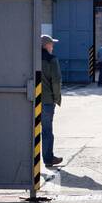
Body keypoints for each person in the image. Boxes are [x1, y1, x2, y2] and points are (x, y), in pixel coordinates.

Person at [40, 34, 63, 167]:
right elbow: (56, 81)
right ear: (45, 45)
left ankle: (31, 161)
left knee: (31, 131)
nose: (53, 46)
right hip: (47, 100)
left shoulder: (32, 59)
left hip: (31, 100)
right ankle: (48, 159)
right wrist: (57, 98)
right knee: (47, 131)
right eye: (51, 44)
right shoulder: (52, 60)